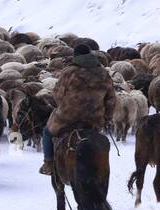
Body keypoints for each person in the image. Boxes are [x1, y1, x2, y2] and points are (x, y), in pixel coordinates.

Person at [40, 42, 117, 175]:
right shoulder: (103, 73)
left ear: (75, 56)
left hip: (68, 117)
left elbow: (57, 94)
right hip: (94, 120)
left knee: (47, 132)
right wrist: (106, 118)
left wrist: (63, 106)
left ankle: (49, 163)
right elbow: (111, 99)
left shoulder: (69, 71)